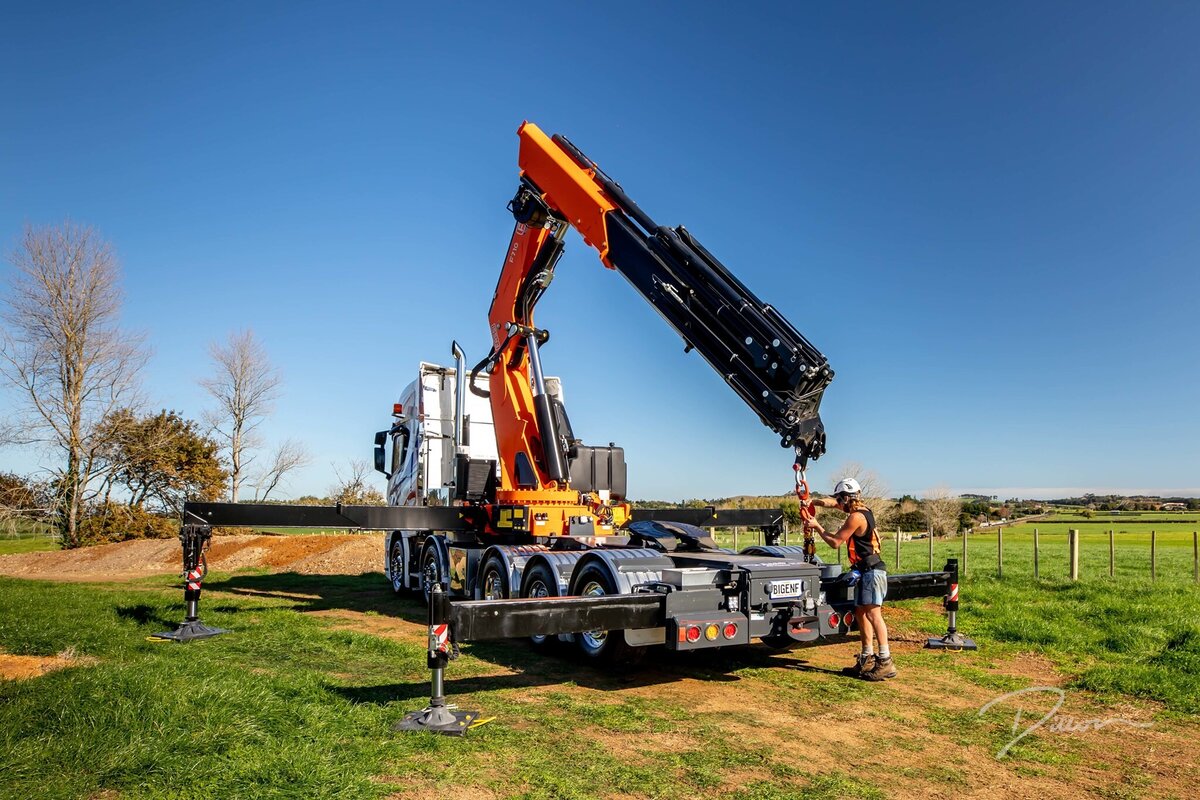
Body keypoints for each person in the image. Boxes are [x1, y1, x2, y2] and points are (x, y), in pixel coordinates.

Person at [805, 477, 897, 681]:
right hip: (865, 571)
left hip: (872, 571)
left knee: (873, 614)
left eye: (840, 499)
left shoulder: (856, 517)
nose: (838, 503)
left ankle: (885, 660)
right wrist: (814, 502)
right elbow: (832, 504)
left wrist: (817, 526)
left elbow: (835, 542)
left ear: (846, 498)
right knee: (861, 613)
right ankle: (866, 658)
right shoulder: (862, 510)